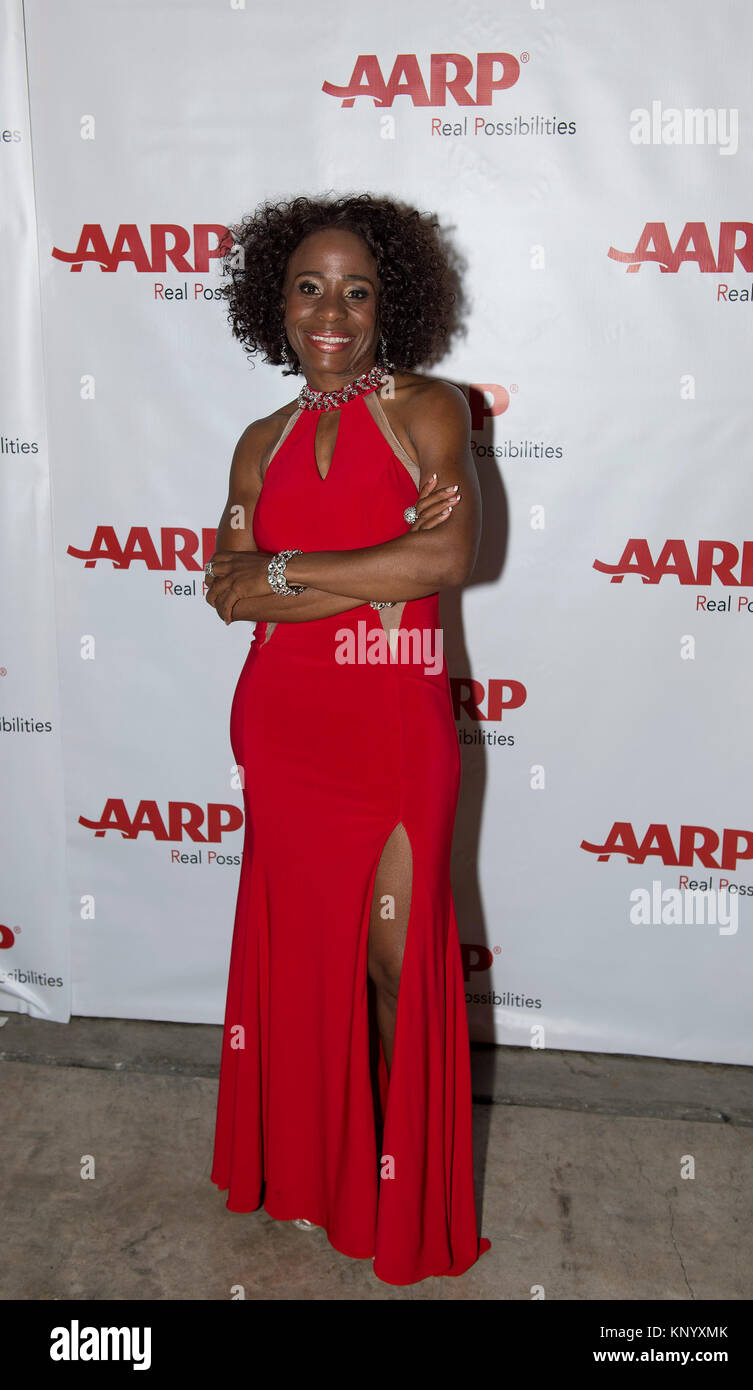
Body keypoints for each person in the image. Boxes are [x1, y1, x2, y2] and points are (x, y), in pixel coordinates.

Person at [206, 193, 490, 1285]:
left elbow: (438, 562)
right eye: (309, 287)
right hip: (282, 729)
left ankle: (390, 1185)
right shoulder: (257, 442)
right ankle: (315, 1177)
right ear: (274, 304)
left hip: (389, 720)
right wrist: (348, 572)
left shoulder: (430, 408)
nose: (333, 311)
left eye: (357, 290)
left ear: (391, 305)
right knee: (307, 961)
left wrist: (282, 573)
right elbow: (224, 594)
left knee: (390, 961)